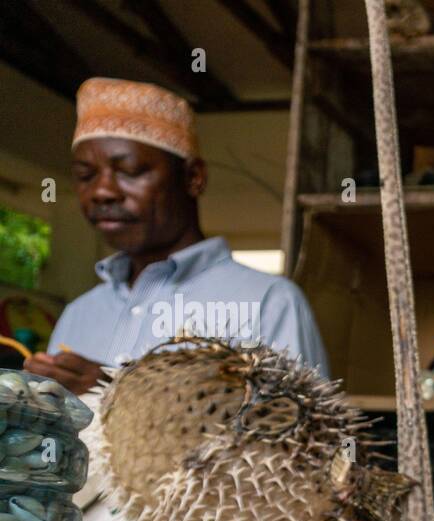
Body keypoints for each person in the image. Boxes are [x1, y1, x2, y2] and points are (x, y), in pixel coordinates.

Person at [25, 78, 328, 394]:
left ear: (193, 178)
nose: (102, 191)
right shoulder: (79, 313)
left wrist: (117, 391)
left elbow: (300, 434)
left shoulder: (268, 303)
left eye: (130, 171)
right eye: (85, 176)